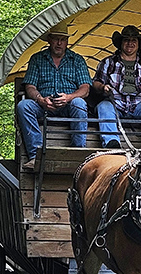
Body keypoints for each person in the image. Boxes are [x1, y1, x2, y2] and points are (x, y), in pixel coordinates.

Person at [16, 21, 91, 169]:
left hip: (69, 105)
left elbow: (85, 88)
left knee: (80, 103)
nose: (59, 43)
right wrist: (41, 100)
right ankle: (35, 156)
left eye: (62, 40)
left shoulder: (77, 60)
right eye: (56, 39)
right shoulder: (37, 59)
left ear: (67, 42)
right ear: (49, 40)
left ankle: (78, 153)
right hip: (43, 105)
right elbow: (30, 86)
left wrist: (68, 97)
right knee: (23, 106)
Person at [93, 25, 141, 148]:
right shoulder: (108, 62)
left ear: (138, 44)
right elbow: (96, 82)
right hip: (115, 103)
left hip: (138, 104)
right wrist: (103, 87)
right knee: (103, 107)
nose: (130, 43)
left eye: (133, 40)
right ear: (121, 43)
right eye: (126, 40)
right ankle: (112, 143)